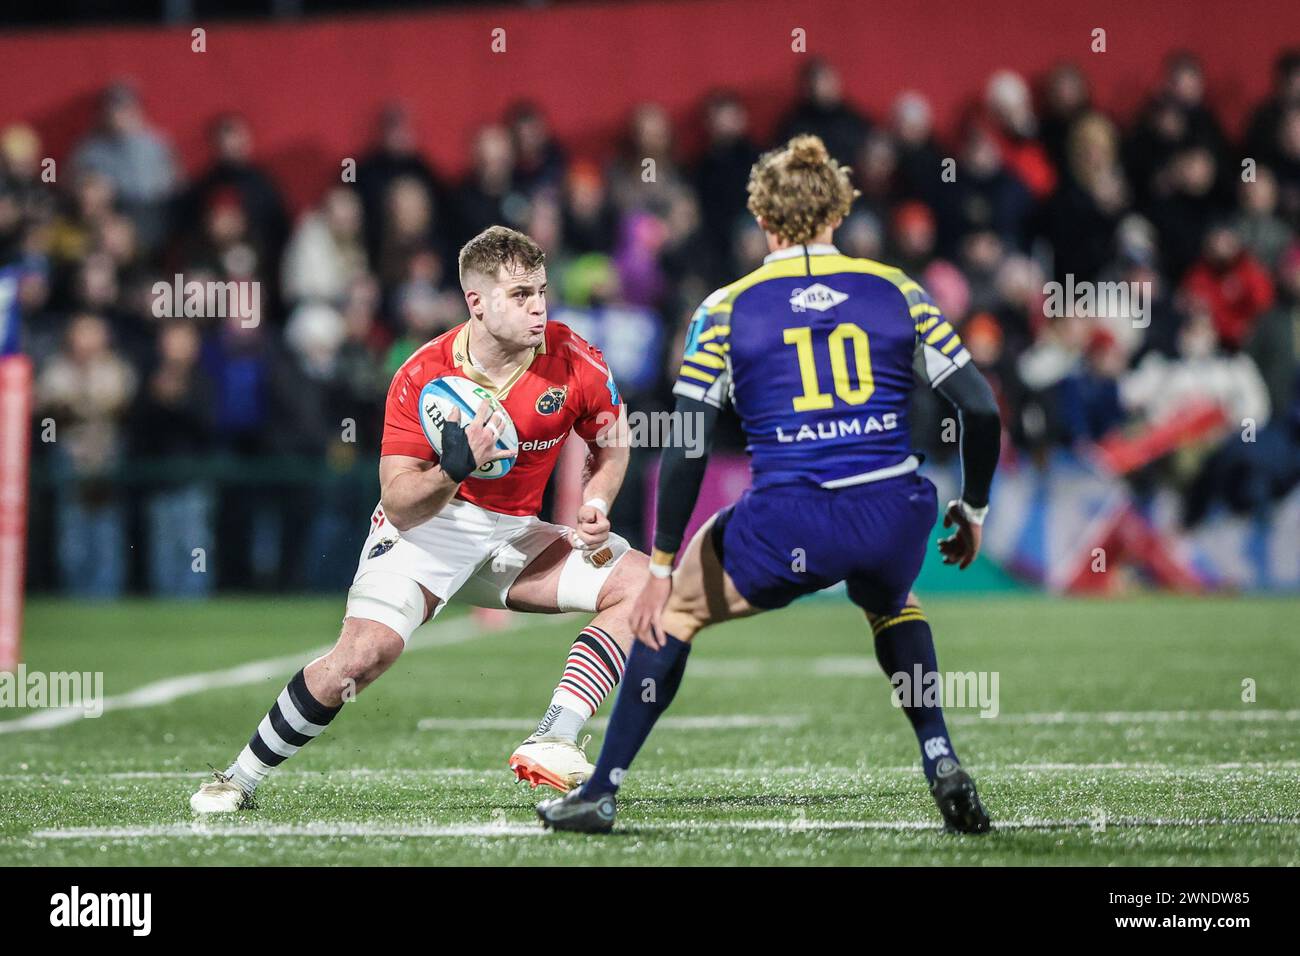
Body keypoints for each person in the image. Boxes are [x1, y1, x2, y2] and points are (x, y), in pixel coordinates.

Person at [538, 136, 1002, 834]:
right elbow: (982, 408)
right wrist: (973, 507)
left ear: (762, 218)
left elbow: (689, 444)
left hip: (792, 516)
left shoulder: (725, 308)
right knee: (892, 600)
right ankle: (938, 753)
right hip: (895, 507)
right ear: (839, 210)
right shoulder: (899, 290)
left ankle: (601, 789)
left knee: (670, 617)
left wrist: (662, 566)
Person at [190, 226, 650, 812]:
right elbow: (400, 500)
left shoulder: (574, 356)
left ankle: (554, 738)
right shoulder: (421, 373)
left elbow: (613, 442)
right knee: (360, 659)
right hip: (430, 529)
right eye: (518, 294)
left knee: (643, 586)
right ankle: (239, 777)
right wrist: (454, 469)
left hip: (513, 533)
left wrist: (599, 502)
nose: (538, 306)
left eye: (540, 290)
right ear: (476, 303)